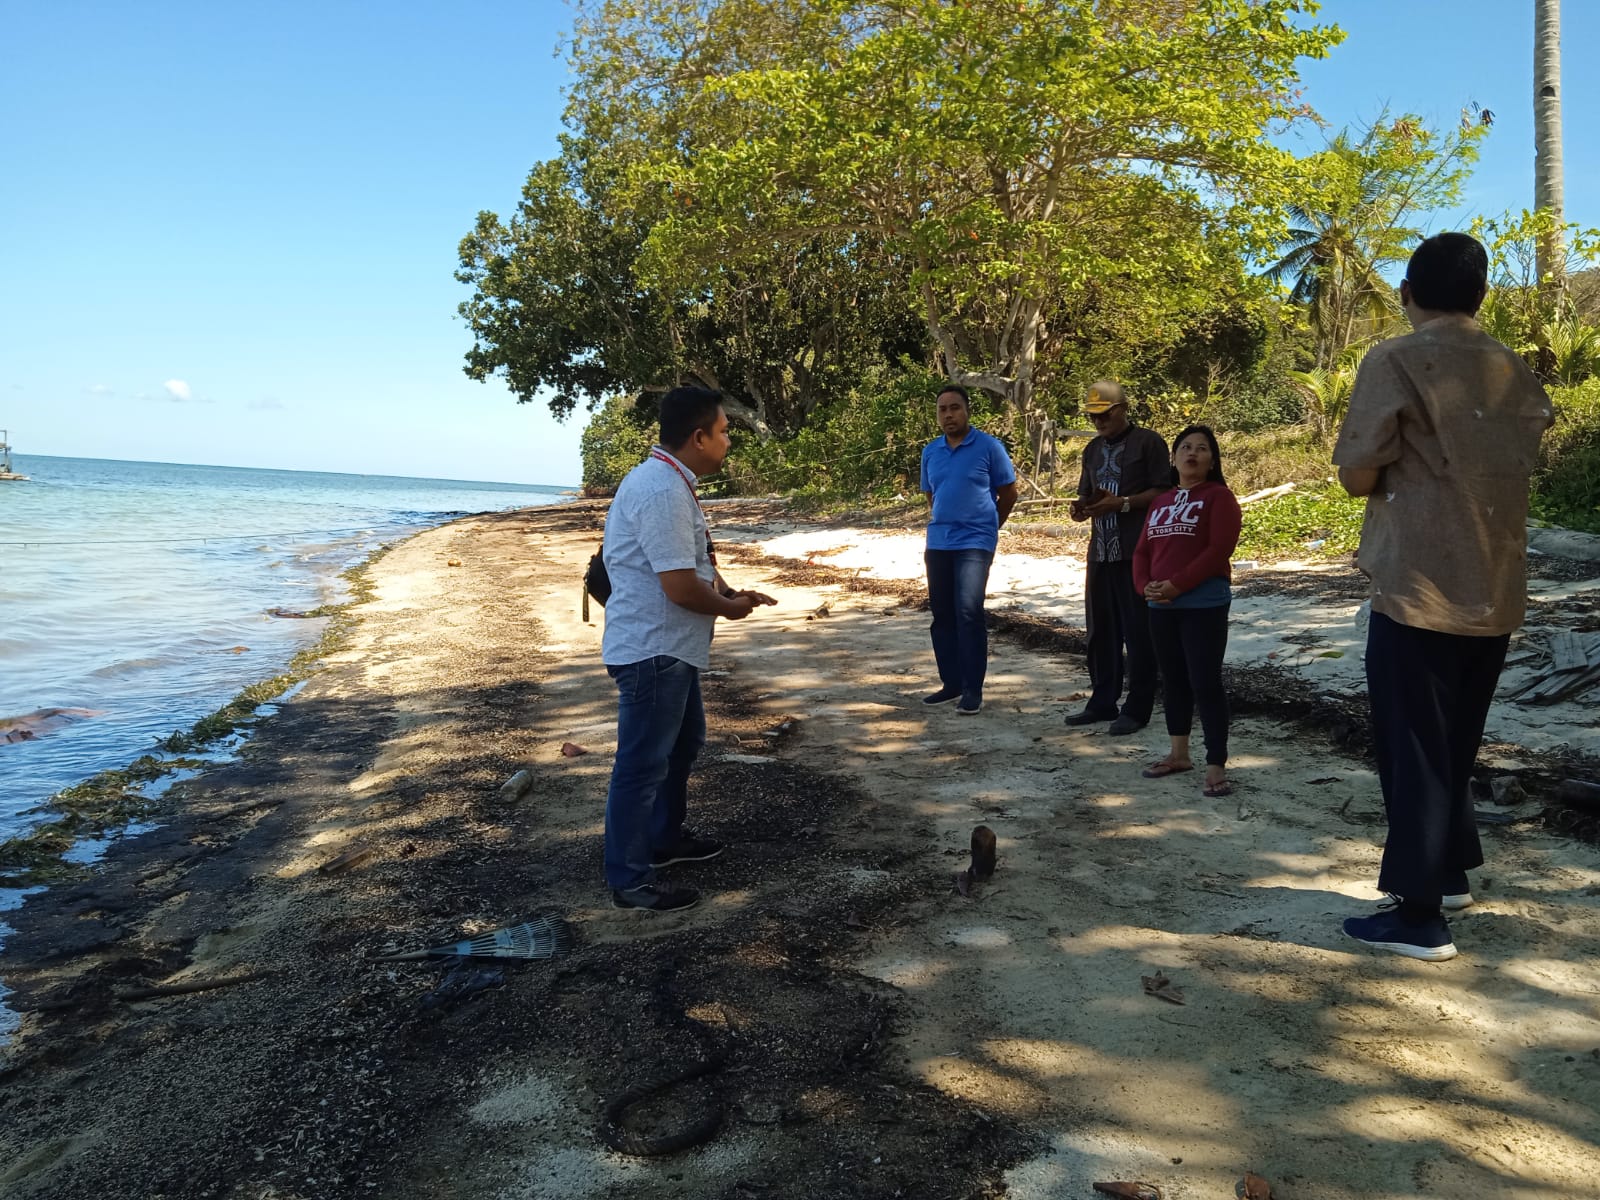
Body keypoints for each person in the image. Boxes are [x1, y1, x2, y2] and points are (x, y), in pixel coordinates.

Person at [1333, 231, 1553, 961]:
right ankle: (1450, 872)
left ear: (1406, 294)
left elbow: (1357, 472)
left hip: (1420, 587)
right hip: (1493, 588)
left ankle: (1419, 914)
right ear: (1482, 295)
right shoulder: (1511, 368)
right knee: (1453, 744)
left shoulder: (1394, 358)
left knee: (1414, 747)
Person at [600, 386, 777, 912]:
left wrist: (724, 588)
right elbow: (678, 587)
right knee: (641, 765)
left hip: (671, 647)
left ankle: (663, 840)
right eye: (724, 432)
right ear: (698, 437)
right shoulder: (661, 490)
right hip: (654, 650)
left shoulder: (671, 482)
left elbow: (689, 563)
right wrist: (729, 609)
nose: (727, 442)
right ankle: (629, 880)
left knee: (682, 745)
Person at [1132, 425, 1242, 797]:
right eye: (1185, 447)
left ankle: (1215, 765)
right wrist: (1143, 585)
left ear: (1213, 461)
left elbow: (1218, 550)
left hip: (1203, 605)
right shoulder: (1162, 501)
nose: (1192, 453)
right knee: (1174, 679)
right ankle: (1178, 754)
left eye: (1202, 449)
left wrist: (1178, 584)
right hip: (1161, 606)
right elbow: (1143, 551)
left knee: (1204, 681)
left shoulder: (1219, 497)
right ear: (1174, 457)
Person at [1063, 380, 1170, 734]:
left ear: (1123, 408)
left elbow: (1164, 493)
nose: (1099, 422)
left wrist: (1123, 503)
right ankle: (1102, 701)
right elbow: (1088, 493)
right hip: (1101, 551)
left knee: (1138, 632)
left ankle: (1138, 707)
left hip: (1136, 551)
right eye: (1093, 416)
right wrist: (1083, 508)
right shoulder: (1092, 450)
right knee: (1100, 632)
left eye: (1105, 414)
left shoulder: (1149, 442)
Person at [919, 384, 1019, 715]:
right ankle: (951, 683)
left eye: (954, 408)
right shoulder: (931, 451)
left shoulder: (989, 447)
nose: (948, 414)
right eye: (942, 409)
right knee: (942, 614)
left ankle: (972, 690)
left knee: (968, 611)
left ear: (967, 410)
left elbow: (1008, 493)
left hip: (975, 542)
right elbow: (932, 495)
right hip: (938, 542)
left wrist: (990, 527)